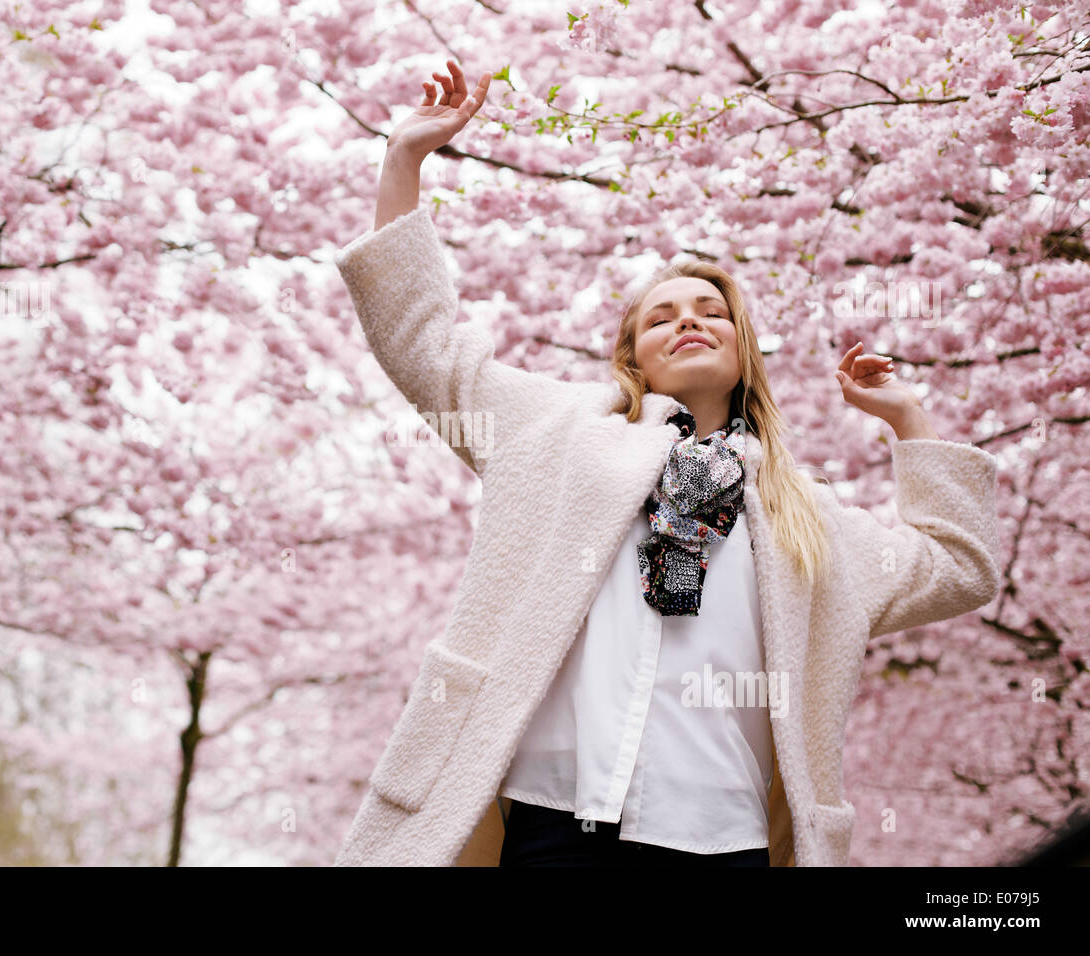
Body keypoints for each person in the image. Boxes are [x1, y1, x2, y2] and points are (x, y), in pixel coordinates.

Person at [330, 59, 1001, 867]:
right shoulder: (558, 431)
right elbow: (425, 345)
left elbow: (961, 567)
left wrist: (909, 420)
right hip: (553, 817)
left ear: (742, 348)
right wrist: (403, 160)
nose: (689, 321)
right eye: (662, 318)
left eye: (712, 311)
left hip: (719, 835)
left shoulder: (805, 517)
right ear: (634, 356)